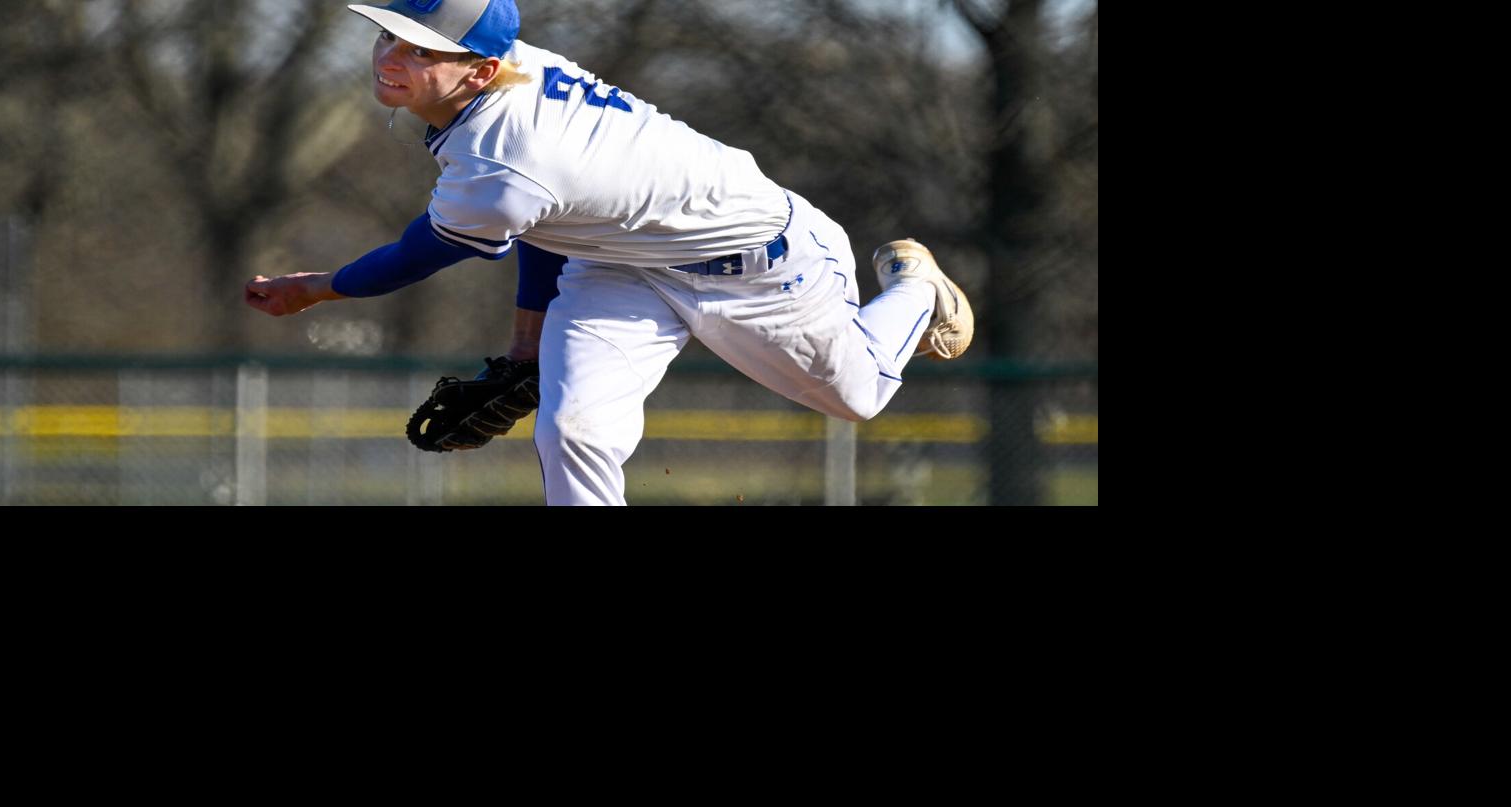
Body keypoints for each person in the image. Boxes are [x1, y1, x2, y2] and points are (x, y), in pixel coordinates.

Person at [245, 0, 972, 505]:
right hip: (619, 266)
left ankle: (914, 286)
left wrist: (316, 288)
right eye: (388, 38)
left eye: (421, 50)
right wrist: (525, 350)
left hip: (761, 266)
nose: (392, 58)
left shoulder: (508, 158)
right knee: (574, 431)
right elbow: (552, 224)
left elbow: (420, 253)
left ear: (481, 71)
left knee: (858, 396)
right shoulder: (506, 77)